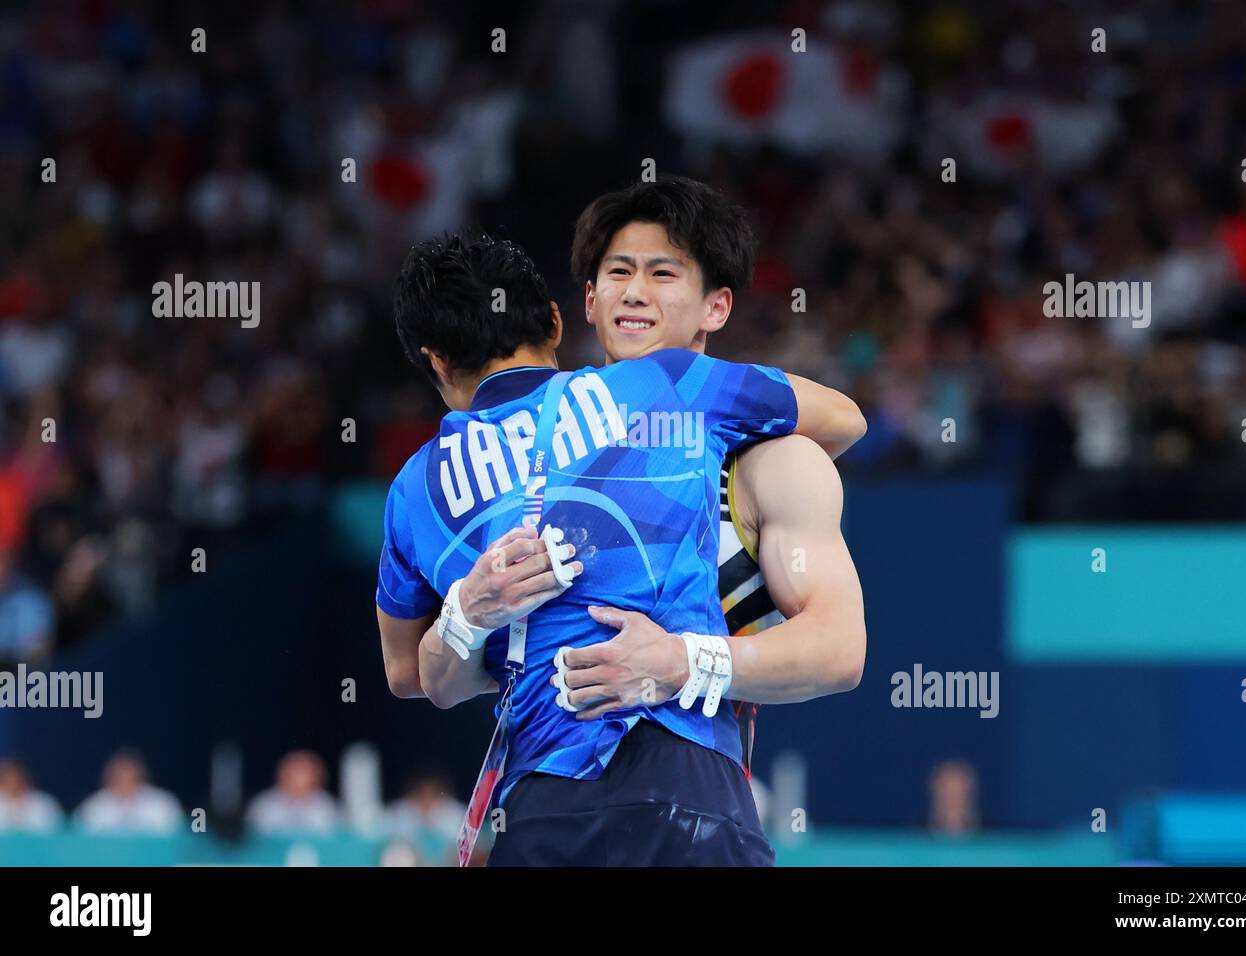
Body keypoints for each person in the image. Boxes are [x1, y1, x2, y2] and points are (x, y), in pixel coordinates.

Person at [376, 227, 864, 865]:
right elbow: (844, 417)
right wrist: (717, 468)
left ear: (434, 360)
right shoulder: (665, 384)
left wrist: (466, 614)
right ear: (556, 321)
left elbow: (407, 675)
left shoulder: (413, 489)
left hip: (539, 807)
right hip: (687, 789)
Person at [75, 750, 183, 834]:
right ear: (108, 779)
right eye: (119, 778)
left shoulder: (162, 804)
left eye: (131, 777)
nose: (125, 782)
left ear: (142, 777)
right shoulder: (93, 806)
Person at [245, 750, 340, 835]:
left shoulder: (327, 806)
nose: (297, 777)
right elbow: (251, 838)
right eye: (293, 770)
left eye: (304, 771)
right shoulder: (263, 803)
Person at [0, 758, 63, 832]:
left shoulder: (44, 802)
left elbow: (55, 831)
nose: (13, 783)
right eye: (7, 778)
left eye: (16, 778)